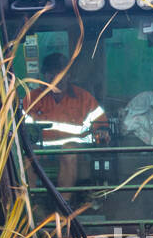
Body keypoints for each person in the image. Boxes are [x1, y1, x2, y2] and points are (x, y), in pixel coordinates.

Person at [23, 52, 105, 189]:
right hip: (43, 150)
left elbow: (102, 125)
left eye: (60, 73)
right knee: (28, 156)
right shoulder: (32, 99)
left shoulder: (84, 98)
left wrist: (102, 133)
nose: (56, 78)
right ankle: (32, 204)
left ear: (68, 75)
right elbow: (21, 129)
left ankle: (64, 205)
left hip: (75, 149)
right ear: (44, 75)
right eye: (50, 73)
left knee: (69, 150)